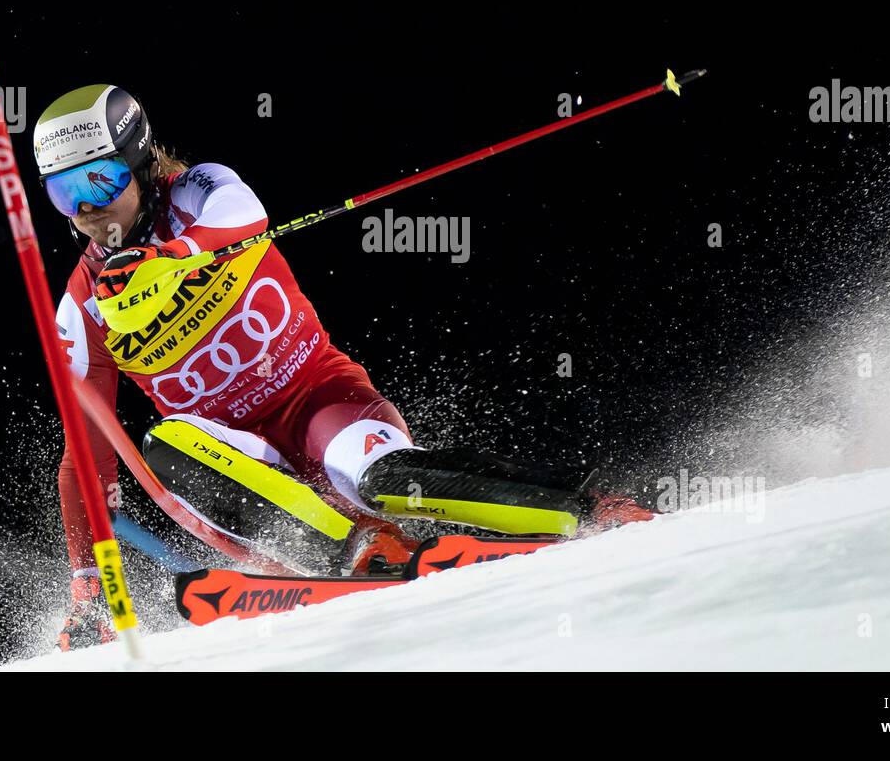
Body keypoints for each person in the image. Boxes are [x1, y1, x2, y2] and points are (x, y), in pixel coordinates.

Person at [33, 85, 650, 650]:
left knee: (378, 477)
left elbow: (244, 211)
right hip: (243, 464)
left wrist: (172, 259)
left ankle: (591, 507)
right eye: (66, 193)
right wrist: (90, 590)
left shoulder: (195, 193)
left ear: (140, 164)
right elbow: (85, 458)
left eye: (102, 182)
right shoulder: (83, 310)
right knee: (161, 444)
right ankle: (364, 550)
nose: (88, 209)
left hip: (322, 402)